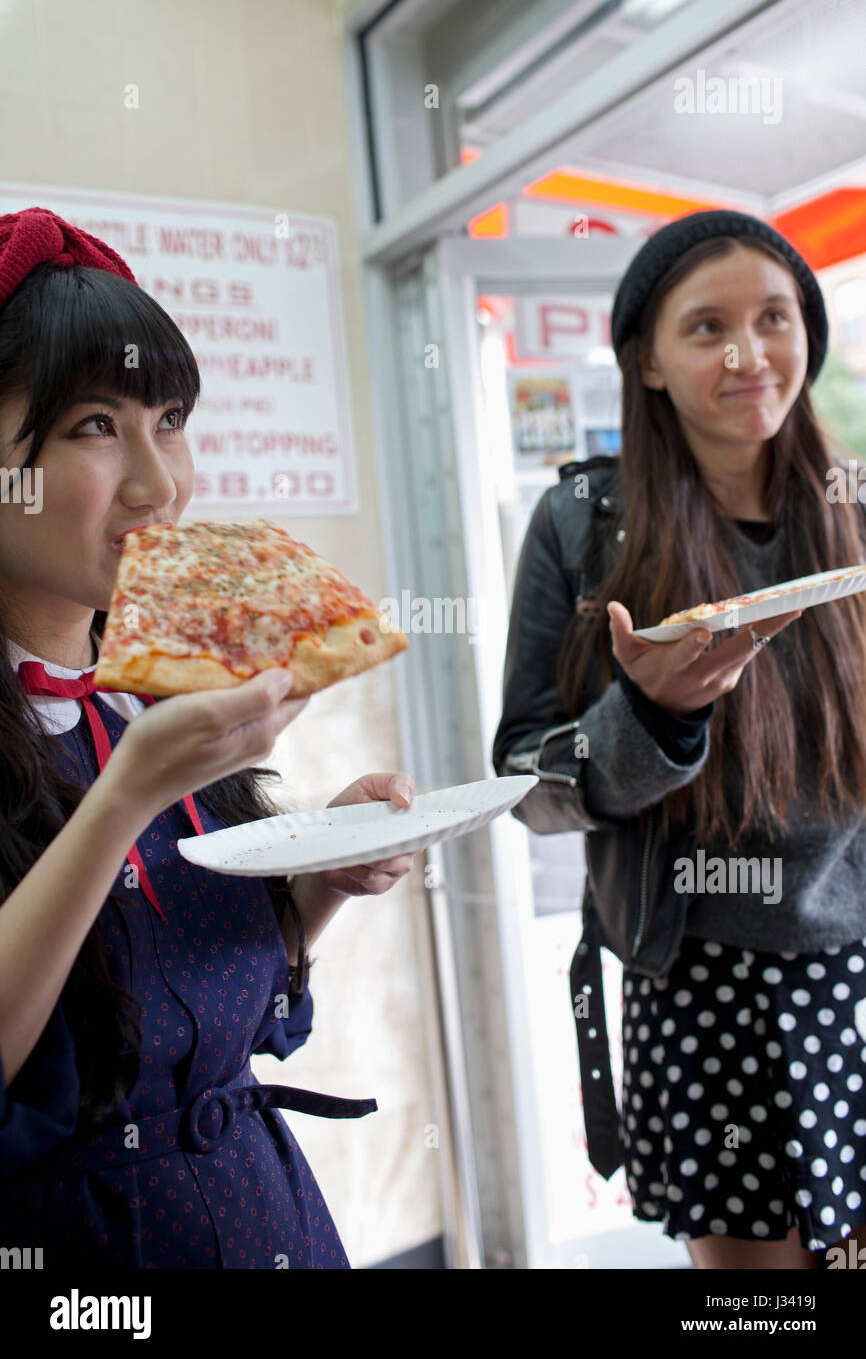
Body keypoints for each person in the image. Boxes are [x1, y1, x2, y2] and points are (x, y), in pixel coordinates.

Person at [0, 206, 419, 1269]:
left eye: (170, 418)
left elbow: (239, 1020)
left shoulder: (158, 699)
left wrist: (321, 876)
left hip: (271, 1218)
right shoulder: (141, 752)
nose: (160, 485)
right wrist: (122, 802)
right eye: (94, 425)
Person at [493, 209, 866, 1270]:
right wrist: (648, 717)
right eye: (705, 328)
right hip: (698, 978)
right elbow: (524, 783)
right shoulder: (582, 520)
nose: (749, 354)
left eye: (773, 318)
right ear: (645, 363)